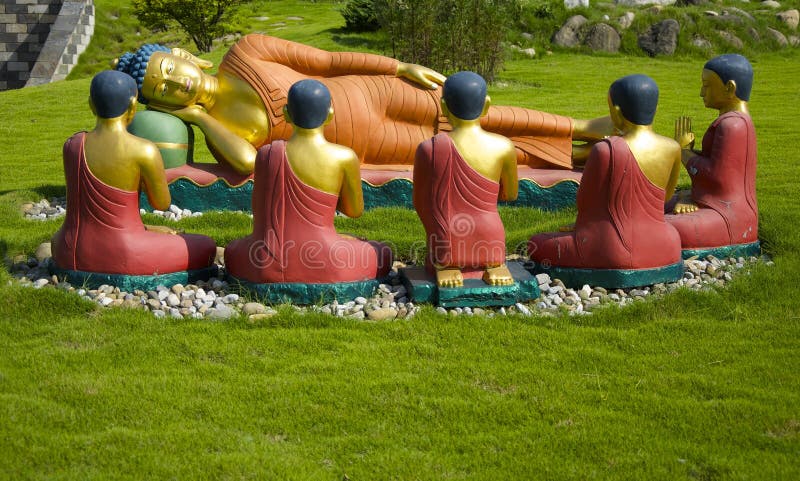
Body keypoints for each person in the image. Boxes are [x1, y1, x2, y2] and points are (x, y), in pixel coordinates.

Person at [114, 35, 612, 175]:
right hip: (367, 139)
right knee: (461, 149)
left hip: (372, 91)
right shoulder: (221, 125)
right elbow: (247, 164)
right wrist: (198, 116)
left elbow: (329, 60)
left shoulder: (246, 51)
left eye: (168, 69)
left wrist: (398, 68)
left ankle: (584, 126)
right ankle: (579, 158)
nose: (175, 84)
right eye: (163, 89)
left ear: (179, 55)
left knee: (480, 113)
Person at [224, 80, 392, 284]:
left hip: (262, 259)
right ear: (330, 114)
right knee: (382, 251)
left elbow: (260, 212)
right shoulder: (343, 157)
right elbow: (354, 210)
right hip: (326, 259)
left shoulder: (267, 155)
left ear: (286, 113)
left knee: (232, 250)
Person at [51, 70, 216, 276]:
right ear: (132, 106)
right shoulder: (143, 150)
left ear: (91, 104)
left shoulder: (73, 145)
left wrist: (148, 228)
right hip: (124, 252)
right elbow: (161, 203)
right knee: (206, 246)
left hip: (67, 248)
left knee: (161, 235)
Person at [528, 75, 682, 273]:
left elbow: (585, 202)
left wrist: (580, 229)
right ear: (655, 109)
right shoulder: (673, 147)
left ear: (616, 113)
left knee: (537, 243)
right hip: (664, 244)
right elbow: (665, 198)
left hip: (611, 247)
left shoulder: (606, 149)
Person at [413, 71, 517, 288]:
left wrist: (437, 233)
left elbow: (420, 203)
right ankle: (494, 265)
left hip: (447, 238)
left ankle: (448, 266)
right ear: (487, 105)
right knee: (493, 254)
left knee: (445, 255)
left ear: (442, 107)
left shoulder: (429, 148)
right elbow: (510, 194)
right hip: (491, 238)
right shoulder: (504, 147)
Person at [666, 54, 758, 249]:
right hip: (714, 204)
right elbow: (716, 163)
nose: (701, 92)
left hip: (728, 214)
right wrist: (689, 153)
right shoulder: (730, 122)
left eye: (707, 85)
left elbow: (717, 177)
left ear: (729, 88)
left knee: (659, 226)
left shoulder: (733, 125)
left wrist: (683, 152)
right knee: (652, 206)